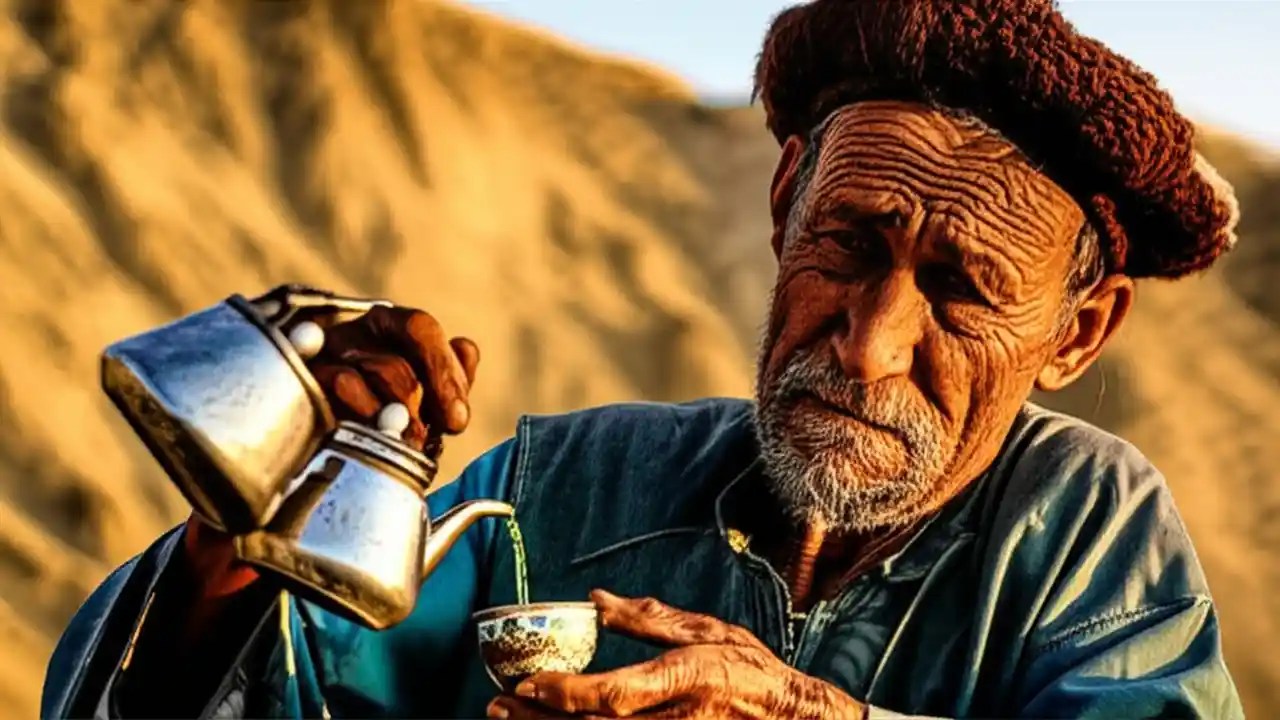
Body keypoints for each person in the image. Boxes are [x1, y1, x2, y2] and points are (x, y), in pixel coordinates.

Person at [42, 0, 1246, 718]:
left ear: (1076, 333)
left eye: (960, 290)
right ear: (784, 205)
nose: (869, 341)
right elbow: (286, 688)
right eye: (845, 244)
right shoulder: (564, 484)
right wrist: (246, 538)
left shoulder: (1084, 523)